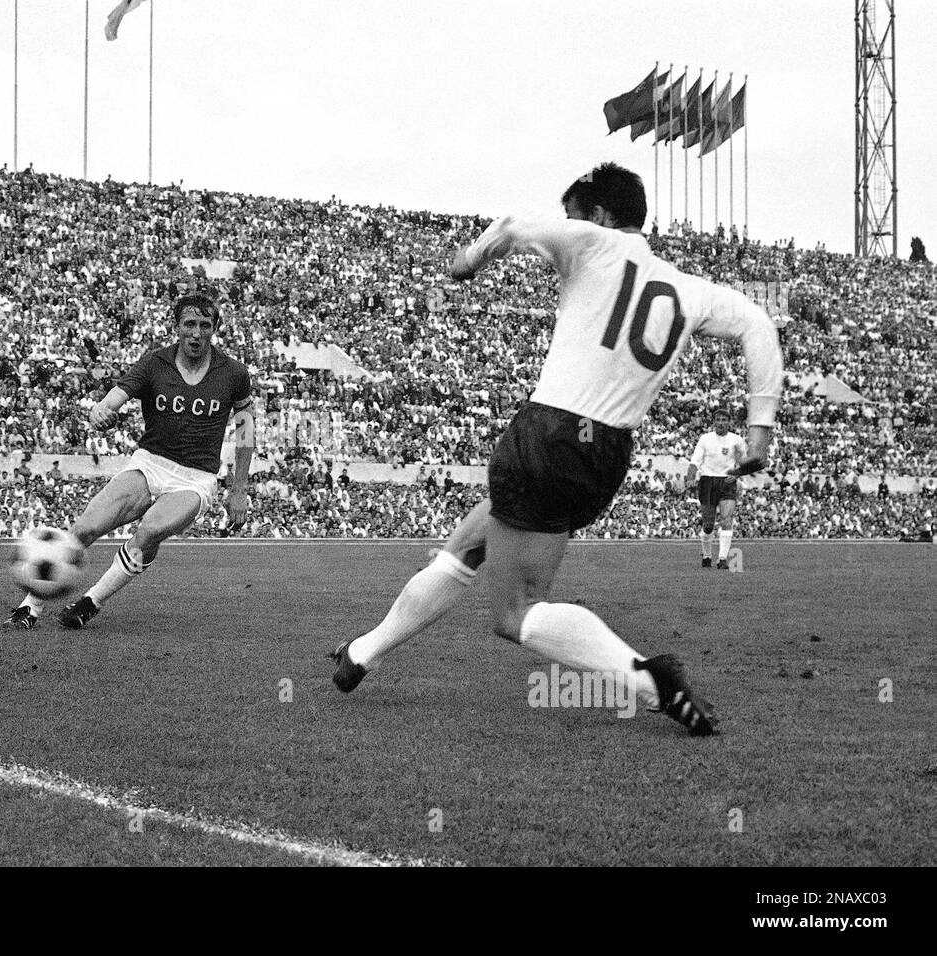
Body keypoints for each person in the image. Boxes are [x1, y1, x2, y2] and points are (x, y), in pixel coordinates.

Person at [330, 163, 783, 737]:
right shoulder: (689, 291)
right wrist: (760, 428)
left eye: (574, 213)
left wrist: (467, 263)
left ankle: (651, 682)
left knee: (516, 613)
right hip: (606, 452)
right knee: (470, 544)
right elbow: (758, 327)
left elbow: (515, 226)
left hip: (550, 434)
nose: (568, 226)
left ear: (599, 215)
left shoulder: (594, 241)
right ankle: (361, 654)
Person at [3, 294, 255, 630]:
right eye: (189, 324)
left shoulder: (234, 373)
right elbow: (115, 398)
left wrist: (239, 489)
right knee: (85, 528)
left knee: (149, 531)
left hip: (195, 479)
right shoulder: (155, 363)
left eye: (204, 325)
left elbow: (246, 434)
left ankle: (91, 601)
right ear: (177, 327)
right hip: (149, 463)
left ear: (215, 330)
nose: (196, 333)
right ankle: (29, 608)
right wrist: (100, 412)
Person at [685, 412, 747, 569]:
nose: (721, 423)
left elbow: (744, 462)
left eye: (724, 420)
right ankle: (706, 556)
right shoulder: (705, 439)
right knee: (708, 524)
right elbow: (694, 462)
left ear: (729, 422)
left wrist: (738, 473)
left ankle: (722, 559)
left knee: (727, 519)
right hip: (708, 481)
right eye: (718, 420)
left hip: (727, 481)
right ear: (714, 422)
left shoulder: (736, 440)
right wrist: (690, 477)